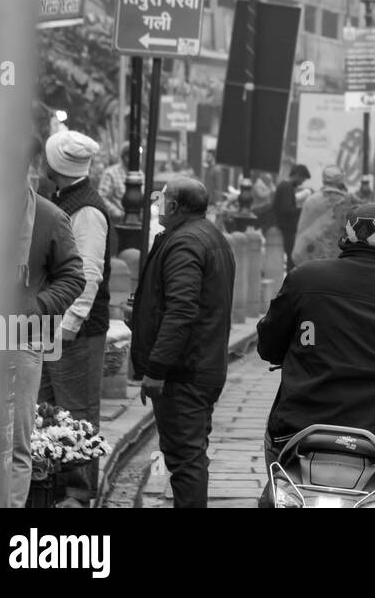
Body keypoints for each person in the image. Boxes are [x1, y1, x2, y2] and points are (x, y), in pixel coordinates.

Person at [256, 204, 375, 508]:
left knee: (275, 482)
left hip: (301, 422)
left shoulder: (304, 279)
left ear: (344, 238)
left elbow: (268, 347)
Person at [129, 176, 235, 508]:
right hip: (201, 365)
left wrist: (156, 369)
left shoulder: (186, 243)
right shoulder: (208, 235)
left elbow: (181, 310)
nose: (158, 204)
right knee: (188, 456)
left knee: (185, 460)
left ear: (174, 206)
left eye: (162, 199)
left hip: (185, 371)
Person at [8, 137, 86, 508]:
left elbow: (74, 276)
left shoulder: (49, 216)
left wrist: (37, 308)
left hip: (21, 341)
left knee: (14, 445)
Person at [40, 130, 113, 506]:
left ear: (55, 167)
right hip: (55, 327)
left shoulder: (87, 210)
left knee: (78, 411)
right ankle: (52, 486)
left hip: (76, 331)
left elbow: (88, 274)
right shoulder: (65, 200)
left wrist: (69, 324)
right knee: (50, 408)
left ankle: (79, 493)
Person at [292, 166, 357, 267]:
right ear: (341, 180)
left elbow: (302, 230)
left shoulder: (311, 200)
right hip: (339, 261)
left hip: (312, 260)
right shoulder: (349, 202)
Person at [273, 164, 310, 273]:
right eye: (302, 179)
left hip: (286, 227)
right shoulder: (287, 187)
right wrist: (303, 210)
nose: (302, 182)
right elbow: (286, 209)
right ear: (298, 175)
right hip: (287, 228)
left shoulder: (284, 186)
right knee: (292, 259)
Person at [97, 142, 129, 223]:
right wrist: (117, 213)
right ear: (125, 156)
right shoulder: (111, 173)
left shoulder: (140, 174)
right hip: (117, 223)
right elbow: (101, 197)